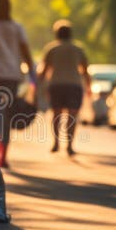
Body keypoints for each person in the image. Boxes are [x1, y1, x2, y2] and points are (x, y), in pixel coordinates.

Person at [0, 0, 36, 168]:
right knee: (5, 114)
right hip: (11, 76)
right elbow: (26, 52)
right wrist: (32, 75)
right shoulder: (17, 28)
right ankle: (3, 153)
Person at [38, 19, 91, 155]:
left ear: (57, 34)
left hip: (56, 84)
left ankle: (56, 143)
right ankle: (69, 145)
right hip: (74, 84)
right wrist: (89, 86)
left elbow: (44, 71)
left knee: (57, 115)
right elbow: (85, 70)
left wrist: (38, 87)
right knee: (72, 116)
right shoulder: (78, 49)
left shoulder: (51, 49)